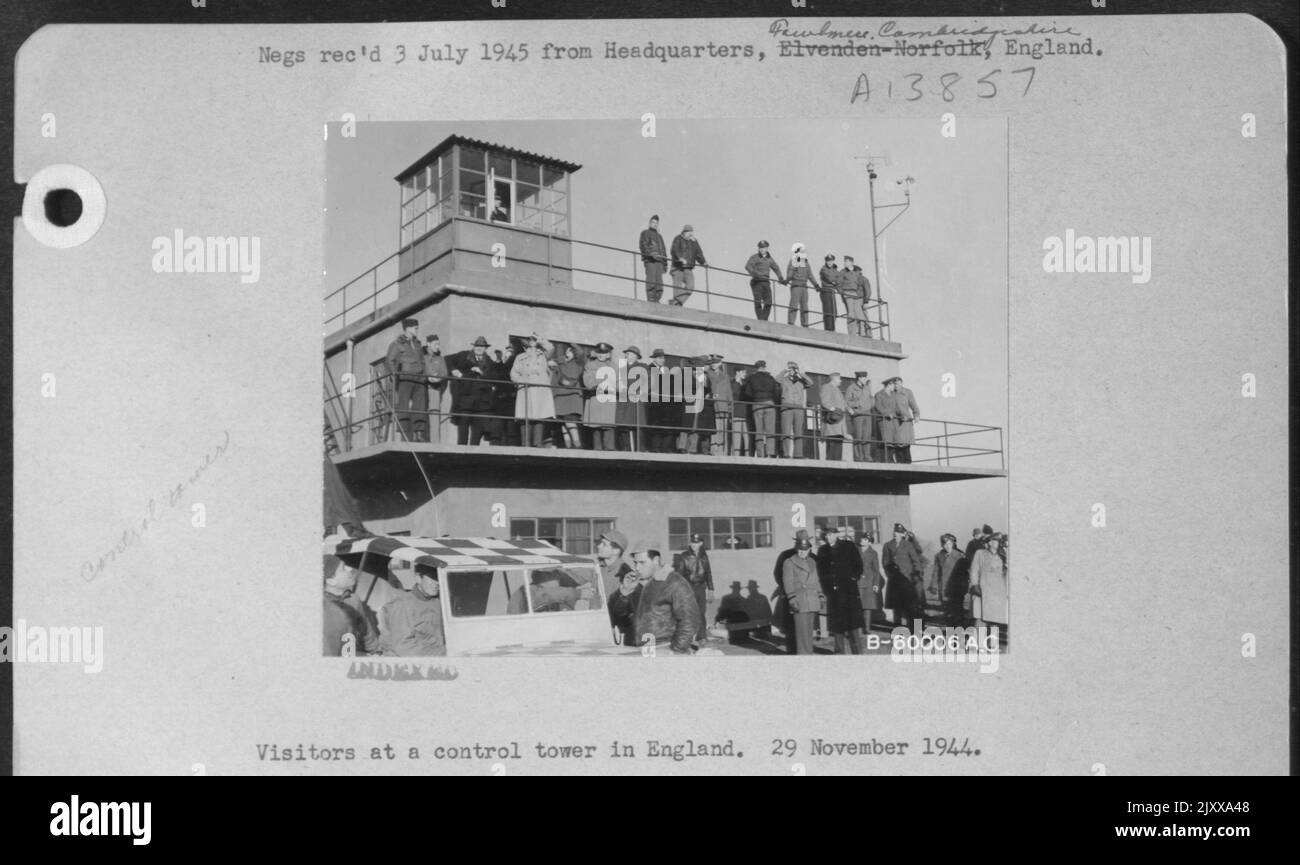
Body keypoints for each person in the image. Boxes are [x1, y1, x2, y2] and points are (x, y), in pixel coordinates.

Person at [609, 543, 702, 654]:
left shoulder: (675, 582)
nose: (637, 567)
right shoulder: (636, 584)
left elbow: (690, 621)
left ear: (656, 560)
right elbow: (619, 616)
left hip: (663, 650)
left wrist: (676, 651)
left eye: (642, 562)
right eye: (635, 562)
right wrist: (625, 591)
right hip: (637, 650)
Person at [817, 524, 866, 653]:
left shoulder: (848, 546)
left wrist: (852, 579)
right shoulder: (822, 550)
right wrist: (827, 590)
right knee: (837, 626)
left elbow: (858, 566)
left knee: (852, 625)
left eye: (831, 534)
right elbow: (821, 573)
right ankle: (839, 652)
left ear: (837, 534)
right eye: (826, 535)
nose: (829, 537)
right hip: (833, 594)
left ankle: (857, 652)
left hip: (849, 592)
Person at [379, 563, 446, 656]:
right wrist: (443, 653)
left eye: (440, 577)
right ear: (418, 578)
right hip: (408, 664)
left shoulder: (441, 602)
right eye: (433, 577)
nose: (437, 582)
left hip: (437, 660)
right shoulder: (401, 605)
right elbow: (403, 647)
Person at [323, 556, 380, 656]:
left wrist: (376, 651)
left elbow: (366, 631)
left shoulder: (353, 599)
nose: (349, 570)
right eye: (343, 569)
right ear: (331, 581)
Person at [385, 318, 430, 442]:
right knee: (403, 406)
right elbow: (390, 361)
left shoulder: (417, 344)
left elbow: (422, 360)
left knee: (420, 407)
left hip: (419, 379)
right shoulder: (397, 344)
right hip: (405, 378)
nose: (417, 329)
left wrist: (425, 374)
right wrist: (395, 374)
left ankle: (419, 433)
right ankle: (404, 433)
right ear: (408, 328)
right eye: (415, 327)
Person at [447, 336, 497, 445]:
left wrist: (481, 373)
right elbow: (447, 360)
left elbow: (493, 378)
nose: (479, 348)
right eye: (477, 346)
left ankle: (473, 450)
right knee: (463, 424)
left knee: (477, 428)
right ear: (474, 347)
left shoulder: (490, 362)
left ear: (485, 349)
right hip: (466, 396)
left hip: (482, 400)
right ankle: (461, 449)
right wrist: (454, 370)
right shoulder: (463, 356)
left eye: (482, 346)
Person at [510, 334, 557, 448]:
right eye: (529, 347)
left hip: (539, 388)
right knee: (524, 415)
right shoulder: (520, 357)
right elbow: (513, 373)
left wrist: (539, 339)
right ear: (525, 348)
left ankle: (537, 442)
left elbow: (551, 348)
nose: (532, 349)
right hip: (525, 389)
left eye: (534, 346)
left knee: (539, 415)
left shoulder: (544, 356)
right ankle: (525, 443)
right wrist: (521, 380)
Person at [782, 535, 822, 655]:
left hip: (812, 599)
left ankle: (808, 653)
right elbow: (787, 582)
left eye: (804, 550)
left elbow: (816, 580)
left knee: (809, 631)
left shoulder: (812, 561)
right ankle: (803, 656)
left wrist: (820, 595)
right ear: (796, 549)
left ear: (809, 549)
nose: (802, 552)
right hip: (800, 600)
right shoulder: (789, 562)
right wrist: (792, 598)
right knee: (801, 632)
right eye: (799, 550)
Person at [596, 530, 634, 643]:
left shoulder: (624, 573)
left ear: (616, 551)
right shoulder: (599, 568)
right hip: (598, 625)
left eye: (604, 544)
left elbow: (624, 609)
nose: (598, 546)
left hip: (613, 631)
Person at [882, 522, 923, 628]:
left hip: (907, 580)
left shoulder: (908, 545)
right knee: (896, 607)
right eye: (895, 531)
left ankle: (912, 629)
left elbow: (915, 560)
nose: (896, 534)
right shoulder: (888, 545)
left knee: (910, 606)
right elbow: (885, 562)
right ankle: (897, 630)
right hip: (894, 580)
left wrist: (916, 574)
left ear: (903, 534)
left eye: (899, 532)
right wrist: (889, 574)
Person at [676, 533, 715, 641]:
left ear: (701, 543)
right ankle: (686, 637)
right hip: (689, 589)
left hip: (701, 588)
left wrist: (711, 590)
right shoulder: (684, 556)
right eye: (692, 542)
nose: (694, 545)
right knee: (688, 613)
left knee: (701, 612)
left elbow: (708, 573)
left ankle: (701, 637)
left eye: (696, 543)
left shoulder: (704, 556)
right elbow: (679, 575)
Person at [644, 348, 682, 453]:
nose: (662, 360)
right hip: (654, 402)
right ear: (654, 358)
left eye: (663, 358)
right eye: (660, 358)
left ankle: (666, 447)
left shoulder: (666, 370)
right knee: (655, 426)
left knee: (667, 425)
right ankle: (655, 447)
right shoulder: (649, 369)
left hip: (665, 403)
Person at [740, 360, 781, 457]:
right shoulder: (771, 378)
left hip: (757, 404)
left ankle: (760, 454)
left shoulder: (752, 378)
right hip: (770, 404)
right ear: (764, 367)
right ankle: (770, 453)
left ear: (756, 368)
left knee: (759, 430)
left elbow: (747, 393)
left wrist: (755, 397)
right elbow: (777, 392)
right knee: (770, 430)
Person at [970, 533, 1009, 631]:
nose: (999, 543)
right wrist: (975, 585)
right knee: (980, 618)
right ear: (990, 542)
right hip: (981, 590)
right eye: (997, 540)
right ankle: (980, 644)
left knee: (995, 620)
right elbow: (974, 569)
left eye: (1001, 541)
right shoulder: (980, 553)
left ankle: (993, 644)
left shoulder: (1004, 556)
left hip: (998, 592)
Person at [582, 342, 617, 451]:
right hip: (596, 397)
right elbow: (587, 382)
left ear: (609, 354)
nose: (602, 355)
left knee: (608, 425)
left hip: (609, 398)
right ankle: (597, 449)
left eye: (605, 353)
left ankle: (609, 448)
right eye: (599, 352)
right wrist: (599, 383)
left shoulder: (614, 366)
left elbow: (619, 382)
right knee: (595, 425)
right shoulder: (590, 365)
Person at [553, 343, 586, 449]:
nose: (569, 352)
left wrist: (572, 343)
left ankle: (577, 445)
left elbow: (580, 352)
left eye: (572, 351)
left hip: (571, 397)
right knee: (563, 424)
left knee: (569, 421)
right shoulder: (559, 363)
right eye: (567, 350)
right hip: (559, 396)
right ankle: (568, 446)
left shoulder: (578, 362)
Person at [615, 345, 648, 452]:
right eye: (626, 353)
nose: (626, 355)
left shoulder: (643, 367)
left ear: (635, 356)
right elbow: (616, 382)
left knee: (636, 425)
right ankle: (625, 447)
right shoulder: (621, 368)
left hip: (635, 400)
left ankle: (639, 448)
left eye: (628, 353)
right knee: (623, 425)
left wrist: (642, 391)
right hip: (623, 400)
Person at [779, 362, 814, 459]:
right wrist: (785, 370)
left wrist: (801, 373)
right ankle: (786, 454)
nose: (792, 371)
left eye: (794, 369)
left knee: (798, 431)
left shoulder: (801, 381)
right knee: (786, 431)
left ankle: (798, 454)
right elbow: (776, 380)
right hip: (787, 407)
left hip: (798, 408)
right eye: (790, 369)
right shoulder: (784, 380)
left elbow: (811, 383)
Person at [744, 239, 785, 321]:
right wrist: (754, 274)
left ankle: (763, 319)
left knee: (769, 302)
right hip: (757, 282)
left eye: (764, 248)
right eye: (761, 248)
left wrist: (780, 277)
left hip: (766, 282)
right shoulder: (755, 257)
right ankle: (761, 319)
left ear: (767, 249)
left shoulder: (769, 259)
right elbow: (748, 266)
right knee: (758, 301)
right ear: (758, 249)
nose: (762, 250)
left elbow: (776, 268)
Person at [932, 533, 967, 624]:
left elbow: (965, 574)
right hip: (944, 588)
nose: (947, 546)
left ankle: (959, 633)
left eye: (949, 544)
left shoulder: (960, 556)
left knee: (957, 611)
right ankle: (950, 633)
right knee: (947, 612)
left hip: (956, 589)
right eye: (945, 544)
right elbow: (936, 572)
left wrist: (964, 587)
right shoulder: (939, 556)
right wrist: (933, 585)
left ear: (953, 544)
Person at [669, 224, 708, 306]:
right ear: (683, 232)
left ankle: (676, 302)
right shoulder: (678, 238)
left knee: (691, 286)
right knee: (677, 287)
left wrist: (703, 262)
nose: (690, 234)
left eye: (691, 232)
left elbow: (698, 253)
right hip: (677, 266)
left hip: (688, 268)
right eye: (688, 232)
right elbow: (674, 250)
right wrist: (680, 258)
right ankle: (677, 303)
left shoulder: (693, 242)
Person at [785, 243, 820, 327]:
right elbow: (790, 272)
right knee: (794, 304)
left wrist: (816, 285)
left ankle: (805, 323)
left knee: (804, 306)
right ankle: (791, 322)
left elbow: (810, 275)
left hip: (804, 286)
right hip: (796, 285)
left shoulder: (805, 262)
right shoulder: (795, 260)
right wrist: (787, 279)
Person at [705, 355, 732, 455]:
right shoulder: (707, 374)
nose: (714, 365)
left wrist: (730, 407)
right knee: (715, 429)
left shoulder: (725, 376)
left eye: (716, 363)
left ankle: (722, 450)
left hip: (724, 406)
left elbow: (729, 392)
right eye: (712, 363)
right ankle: (714, 450)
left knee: (723, 430)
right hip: (713, 405)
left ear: (720, 363)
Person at [889, 376, 921, 463]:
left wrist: (916, 415)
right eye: (895, 384)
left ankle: (907, 461)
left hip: (905, 421)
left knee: (905, 443)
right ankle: (900, 462)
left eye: (898, 384)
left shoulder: (907, 392)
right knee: (897, 442)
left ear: (901, 383)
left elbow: (913, 405)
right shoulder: (891, 393)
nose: (896, 386)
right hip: (895, 421)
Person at [857, 531, 885, 630]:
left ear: (869, 542)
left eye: (865, 540)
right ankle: (858, 627)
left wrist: (876, 584)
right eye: (862, 538)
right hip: (857, 581)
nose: (862, 540)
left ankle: (867, 628)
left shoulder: (873, 553)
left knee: (867, 606)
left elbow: (876, 570)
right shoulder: (856, 550)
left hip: (869, 582)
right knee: (857, 605)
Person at [819, 372, 850, 461]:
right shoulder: (826, 387)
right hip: (832, 420)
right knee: (832, 440)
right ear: (835, 379)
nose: (841, 381)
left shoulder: (837, 389)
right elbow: (824, 401)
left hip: (839, 421)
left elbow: (842, 402)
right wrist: (831, 408)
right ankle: (831, 461)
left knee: (838, 441)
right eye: (839, 379)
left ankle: (837, 460)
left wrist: (848, 408)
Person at [423, 335, 448, 443]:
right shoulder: (421, 357)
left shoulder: (440, 359)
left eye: (438, 344)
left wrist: (438, 378)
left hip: (434, 390)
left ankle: (435, 443)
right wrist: (427, 377)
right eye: (435, 344)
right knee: (421, 416)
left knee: (434, 416)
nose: (438, 346)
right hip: (422, 389)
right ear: (428, 344)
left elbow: (444, 373)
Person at [845, 371, 875, 462]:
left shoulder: (867, 387)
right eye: (863, 378)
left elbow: (871, 398)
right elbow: (847, 402)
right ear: (858, 378)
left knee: (867, 435)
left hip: (867, 414)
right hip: (858, 415)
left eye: (865, 378)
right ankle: (859, 456)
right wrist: (858, 404)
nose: (864, 379)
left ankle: (867, 456)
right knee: (858, 435)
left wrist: (870, 405)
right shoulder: (851, 388)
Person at [639, 215, 669, 303]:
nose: (655, 224)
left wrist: (665, 263)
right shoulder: (645, 233)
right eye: (653, 222)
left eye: (656, 223)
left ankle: (657, 299)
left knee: (659, 283)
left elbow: (663, 250)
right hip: (650, 260)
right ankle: (651, 299)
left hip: (660, 261)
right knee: (651, 280)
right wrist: (651, 254)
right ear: (649, 223)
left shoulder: (660, 236)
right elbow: (643, 245)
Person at [839, 256, 870, 337]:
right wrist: (842, 293)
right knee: (851, 314)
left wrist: (866, 301)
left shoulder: (857, 275)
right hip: (848, 293)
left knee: (860, 314)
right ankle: (852, 333)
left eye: (847, 261)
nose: (845, 263)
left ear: (852, 263)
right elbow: (839, 283)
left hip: (856, 295)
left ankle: (864, 333)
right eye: (845, 261)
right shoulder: (843, 272)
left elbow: (866, 289)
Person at [873, 377, 898, 463]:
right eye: (893, 385)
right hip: (884, 420)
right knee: (886, 440)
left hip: (893, 421)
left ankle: (891, 459)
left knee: (893, 441)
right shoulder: (879, 394)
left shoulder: (893, 395)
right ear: (889, 385)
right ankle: (887, 459)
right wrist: (887, 414)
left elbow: (896, 407)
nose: (894, 387)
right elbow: (878, 407)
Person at [729, 367, 751, 456]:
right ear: (737, 372)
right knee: (737, 435)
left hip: (746, 412)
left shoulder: (746, 384)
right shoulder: (732, 383)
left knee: (746, 436)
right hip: (736, 412)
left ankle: (747, 454)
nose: (745, 374)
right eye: (743, 372)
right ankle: (736, 454)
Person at [817, 254, 841, 332]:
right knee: (828, 310)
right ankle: (828, 329)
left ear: (833, 261)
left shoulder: (835, 270)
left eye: (831, 261)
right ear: (826, 261)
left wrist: (835, 281)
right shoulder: (823, 269)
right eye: (828, 261)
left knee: (834, 311)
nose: (829, 263)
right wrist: (834, 281)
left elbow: (839, 279)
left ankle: (832, 328)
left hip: (832, 291)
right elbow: (829, 278)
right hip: (826, 290)